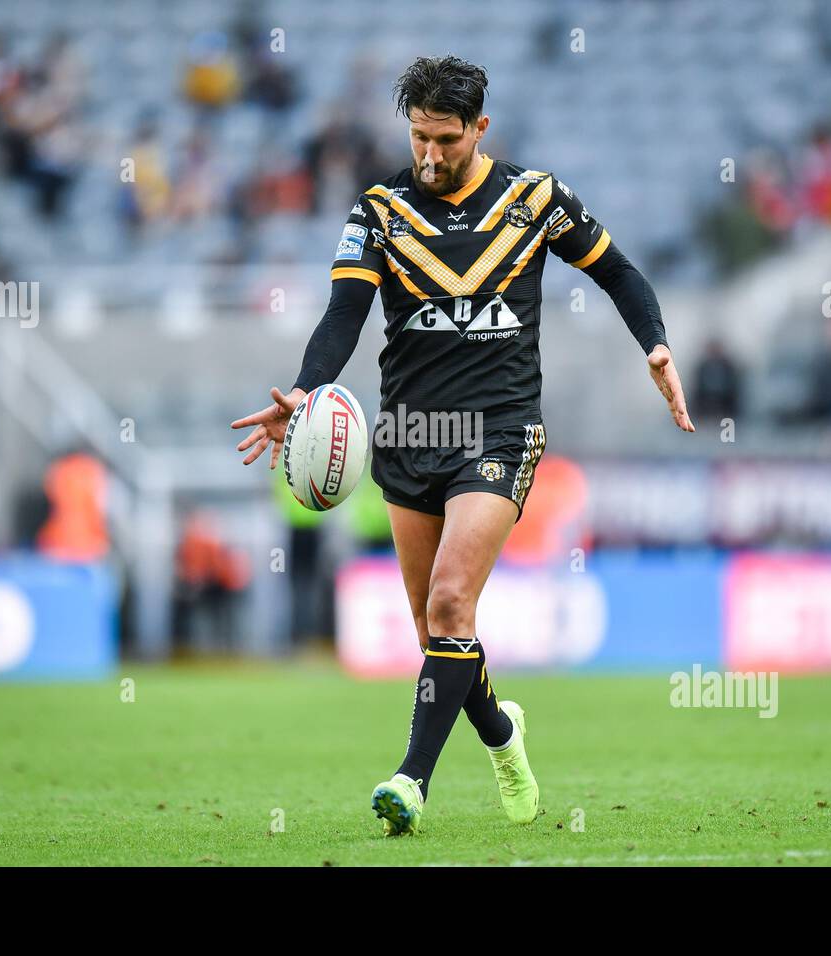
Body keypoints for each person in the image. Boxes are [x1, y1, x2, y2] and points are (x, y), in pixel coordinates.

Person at [231, 56, 692, 837]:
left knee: (451, 602)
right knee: (435, 632)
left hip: (501, 429)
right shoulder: (379, 211)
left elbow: (618, 272)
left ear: (481, 128)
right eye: (418, 136)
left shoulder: (535, 200)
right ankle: (503, 736)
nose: (430, 154)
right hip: (410, 433)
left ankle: (410, 782)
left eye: (445, 138)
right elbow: (344, 314)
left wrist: (653, 343)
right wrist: (306, 390)